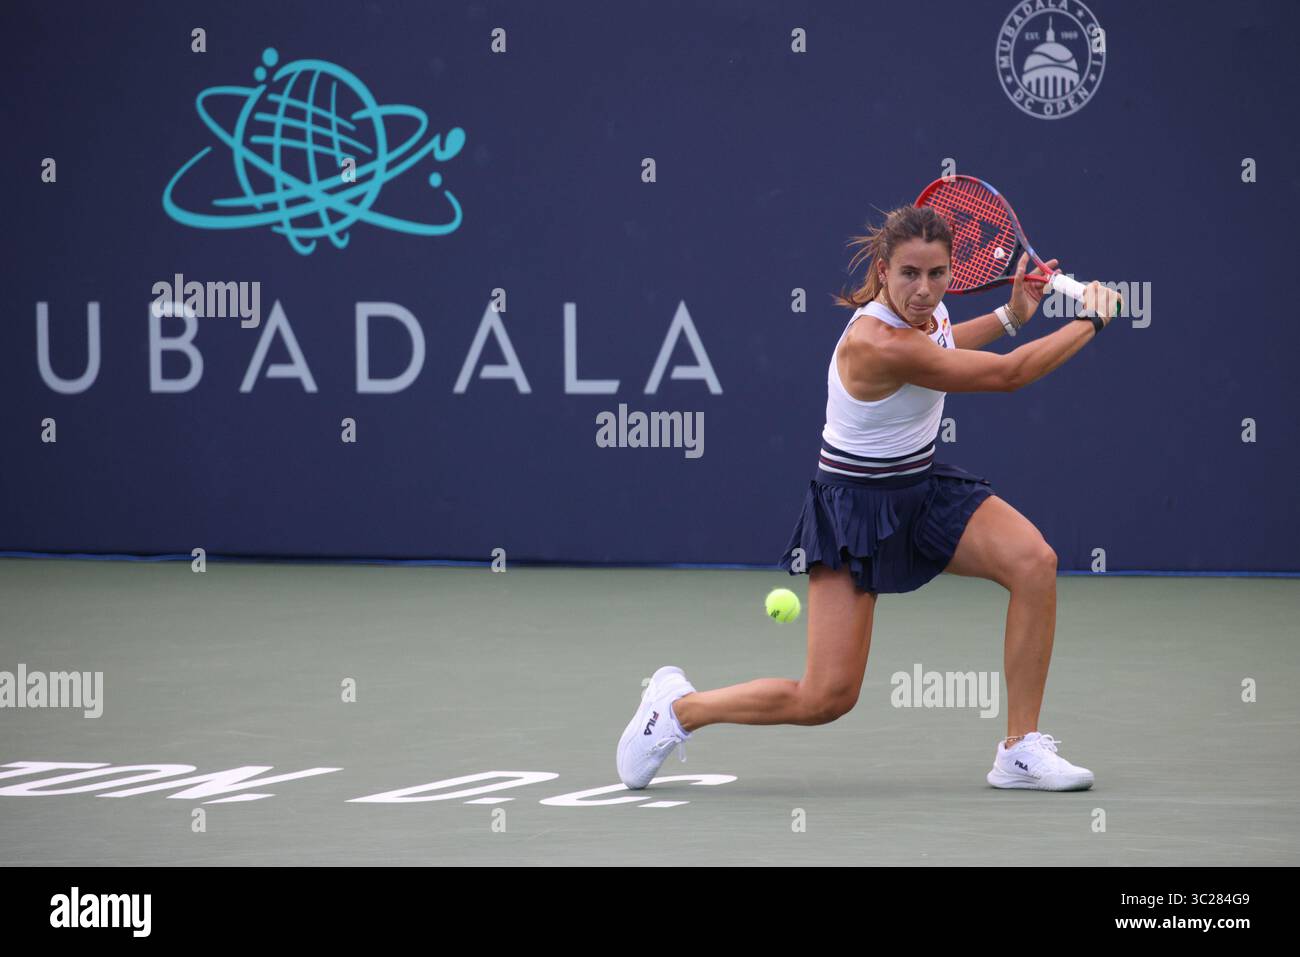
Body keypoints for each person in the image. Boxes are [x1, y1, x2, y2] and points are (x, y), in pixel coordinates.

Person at [616, 204, 1121, 792]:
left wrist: (1011, 314)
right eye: (909, 274)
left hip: (923, 489)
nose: (924, 290)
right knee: (826, 697)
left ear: (952, 270)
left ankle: (1020, 749)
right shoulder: (877, 341)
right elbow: (1004, 376)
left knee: (1034, 562)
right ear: (883, 271)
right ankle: (677, 711)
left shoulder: (925, 316)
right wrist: (1091, 321)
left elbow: (945, 341)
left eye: (937, 275)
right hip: (853, 510)